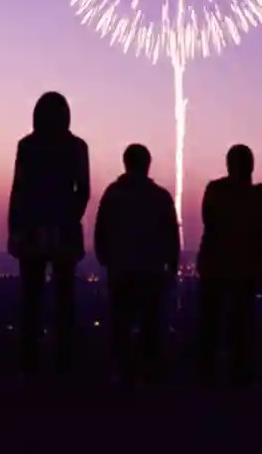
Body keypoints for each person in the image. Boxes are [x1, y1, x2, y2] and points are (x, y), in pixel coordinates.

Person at [7, 92, 91, 379]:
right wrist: (69, 216)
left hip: (32, 229)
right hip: (64, 231)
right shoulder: (76, 146)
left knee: (31, 296)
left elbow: (18, 190)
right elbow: (84, 190)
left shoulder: (28, 146)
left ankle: (29, 361)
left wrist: (15, 229)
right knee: (64, 297)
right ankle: (64, 361)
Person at [94, 144, 180, 387]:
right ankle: (149, 374)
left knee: (121, 323)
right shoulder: (160, 196)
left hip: (121, 268)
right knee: (150, 324)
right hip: (152, 270)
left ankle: (123, 372)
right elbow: (171, 234)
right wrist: (171, 265)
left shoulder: (113, 193)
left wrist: (105, 257)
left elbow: (101, 229)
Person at [196, 144, 262, 388]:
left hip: (218, 268)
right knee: (241, 327)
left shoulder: (217, 191)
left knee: (214, 325)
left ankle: (209, 376)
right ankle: (239, 377)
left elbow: (209, 222)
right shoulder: (257, 197)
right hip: (243, 270)